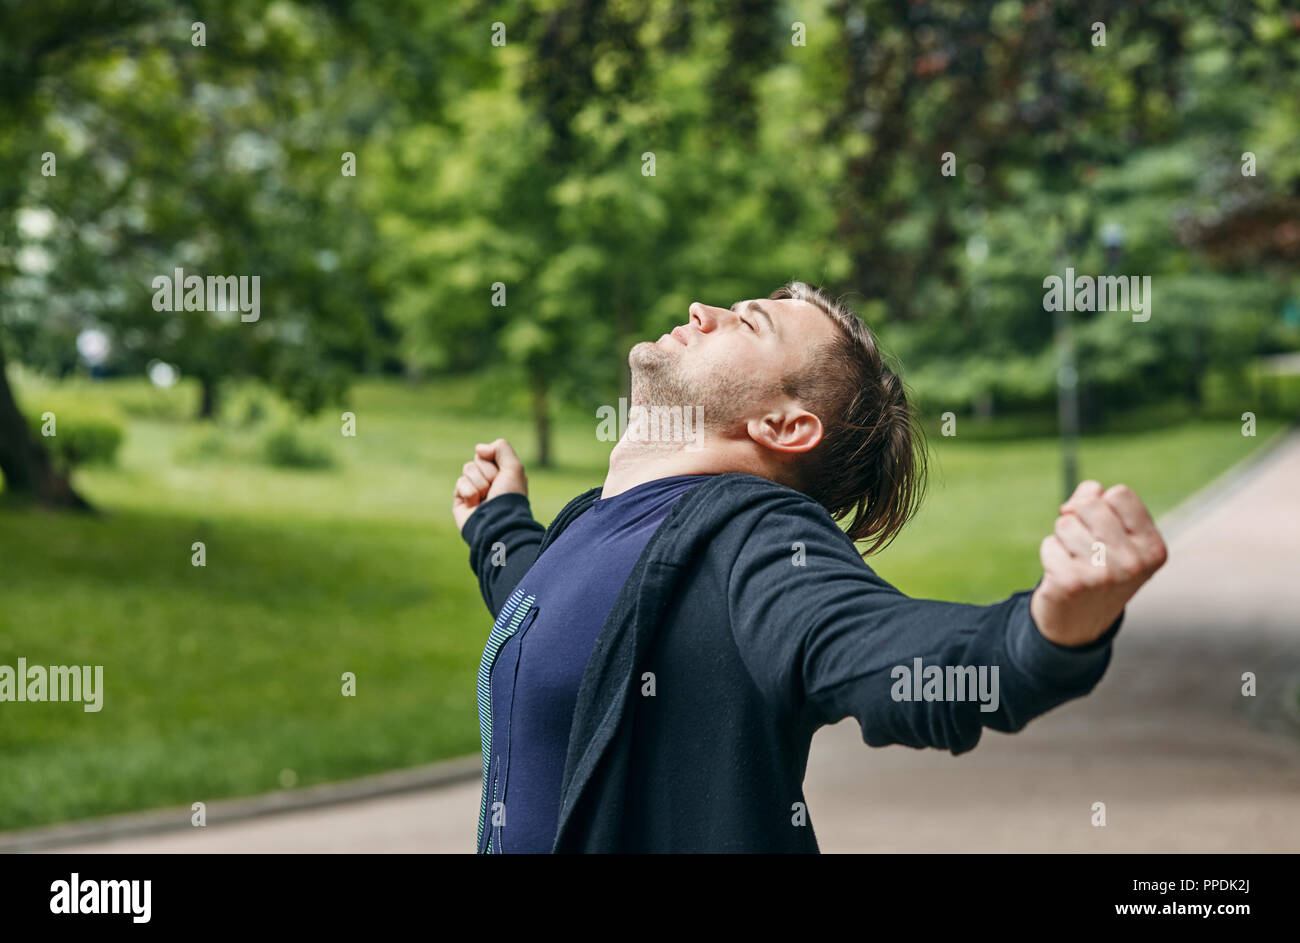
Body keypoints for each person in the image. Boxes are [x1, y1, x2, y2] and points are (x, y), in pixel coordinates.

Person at [453, 280, 1168, 853]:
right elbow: (558, 616)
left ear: (785, 425)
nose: (703, 311)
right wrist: (499, 524)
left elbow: (883, 650)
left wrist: (1045, 631)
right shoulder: (598, 523)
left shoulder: (758, 539)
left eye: (748, 323)